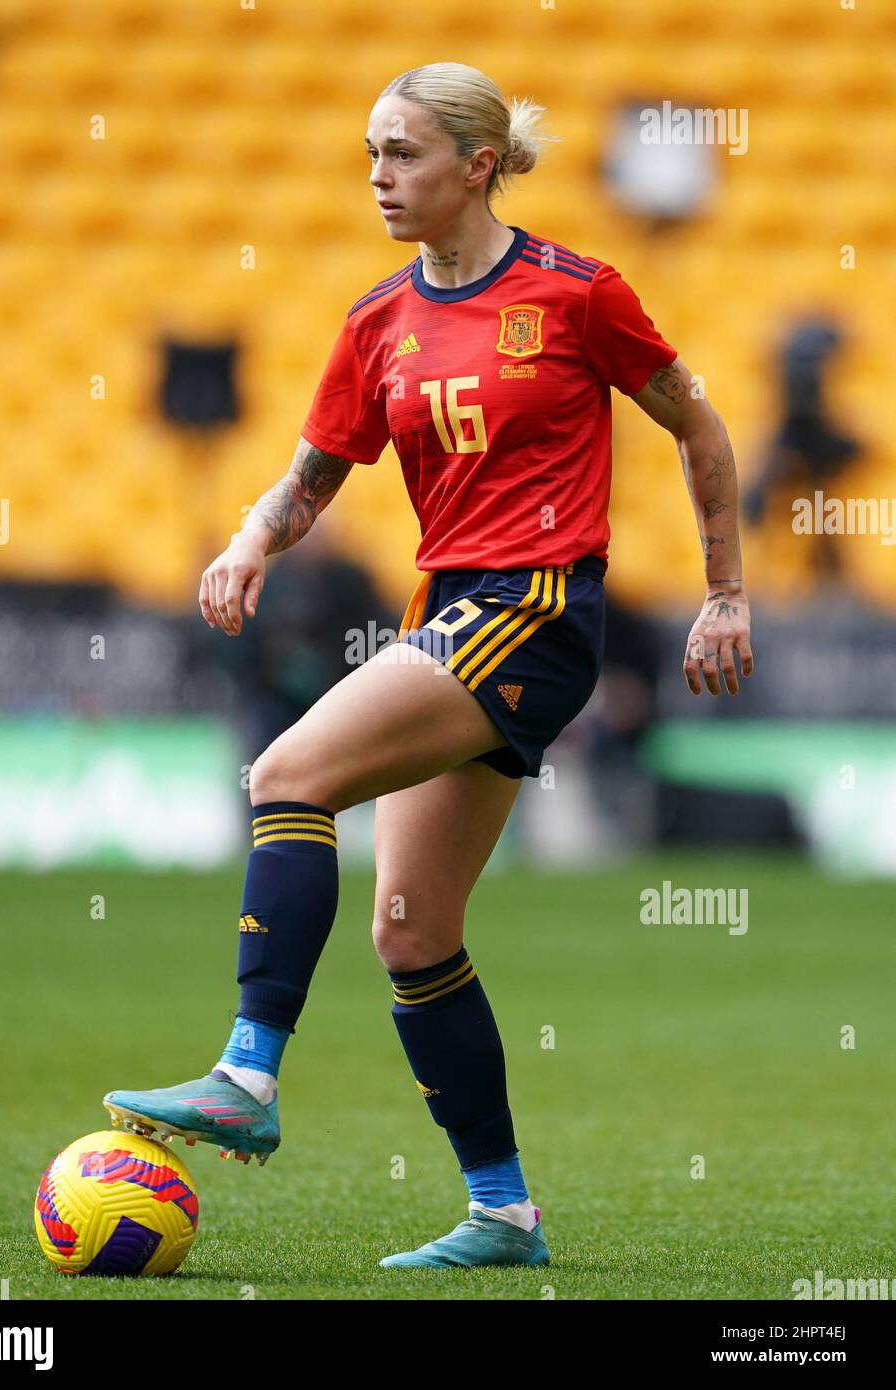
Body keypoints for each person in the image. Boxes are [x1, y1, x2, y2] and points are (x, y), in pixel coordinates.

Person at [104, 62, 754, 1271]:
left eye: (401, 153)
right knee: (410, 931)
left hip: (540, 608)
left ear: (478, 164)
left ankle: (247, 1071)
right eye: (368, 154)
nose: (377, 177)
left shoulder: (575, 293)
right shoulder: (377, 320)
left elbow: (697, 423)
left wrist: (723, 593)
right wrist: (249, 539)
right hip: (445, 615)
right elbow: (313, 475)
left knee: (285, 771)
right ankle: (503, 1210)